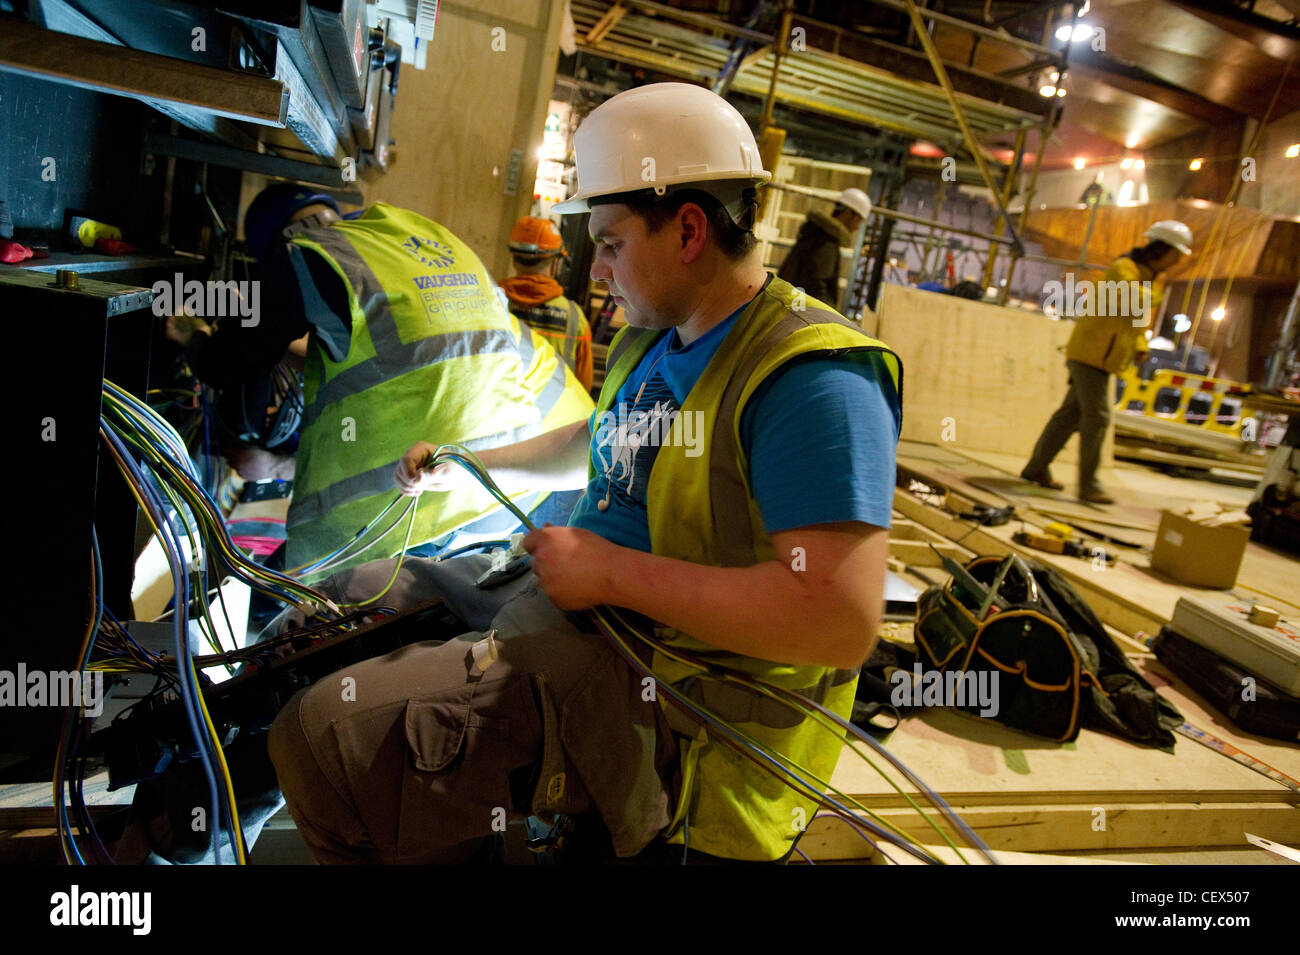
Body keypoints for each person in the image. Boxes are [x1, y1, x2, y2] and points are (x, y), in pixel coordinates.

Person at [267, 82, 903, 864]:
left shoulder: (810, 379)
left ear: (690, 231)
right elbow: (607, 440)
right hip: (580, 610)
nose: (595, 269)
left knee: (322, 738)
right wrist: (469, 464)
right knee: (325, 616)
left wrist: (610, 572)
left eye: (609, 242)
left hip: (672, 700)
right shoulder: (660, 336)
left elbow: (838, 619)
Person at [166, 185, 594, 572]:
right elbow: (389, 366)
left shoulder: (305, 255)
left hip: (425, 521)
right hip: (519, 493)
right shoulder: (420, 239)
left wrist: (194, 337)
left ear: (274, 245)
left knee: (280, 614)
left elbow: (229, 363)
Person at [1022, 220, 1192, 504]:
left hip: (1102, 356)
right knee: (1098, 418)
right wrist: (1157, 294)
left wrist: (1139, 346)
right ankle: (1089, 485)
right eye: (1176, 254)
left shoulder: (1144, 276)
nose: (1177, 261)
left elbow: (1136, 320)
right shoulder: (1123, 269)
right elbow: (1130, 300)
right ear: (1162, 249)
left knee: (1069, 416)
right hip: (1091, 355)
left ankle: (1036, 468)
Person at [499, 216, 594, 391]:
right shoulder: (575, 319)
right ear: (555, 263)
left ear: (514, 259)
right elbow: (584, 388)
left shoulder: (490, 302)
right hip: (554, 416)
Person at [777, 186, 871, 309]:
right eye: (858, 221)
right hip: (797, 310)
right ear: (849, 213)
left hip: (792, 305)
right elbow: (816, 286)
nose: (856, 227)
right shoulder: (826, 243)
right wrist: (828, 316)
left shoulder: (817, 233)